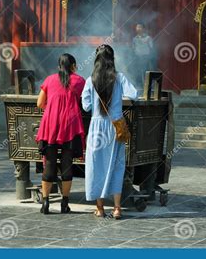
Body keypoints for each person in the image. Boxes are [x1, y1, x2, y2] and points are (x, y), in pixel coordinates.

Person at [82, 44, 137, 219]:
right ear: (112, 59)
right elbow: (134, 94)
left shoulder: (90, 80)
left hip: (97, 128)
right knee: (116, 167)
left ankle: (100, 208)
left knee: (96, 166)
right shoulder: (119, 78)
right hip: (115, 127)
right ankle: (117, 208)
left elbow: (86, 105)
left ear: (96, 59)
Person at [35, 54, 86, 214]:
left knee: (49, 163)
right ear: (73, 66)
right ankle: (65, 203)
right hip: (70, 125)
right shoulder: (79, 81)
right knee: (67, 164)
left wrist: (52, 110)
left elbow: (39, 103)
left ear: (59, 66)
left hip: (50, 125)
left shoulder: (49, 80)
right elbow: (86, 103)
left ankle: (45, 203)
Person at [132, 23, 156, 90]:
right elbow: (133, 48)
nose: (138, 28)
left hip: (146, 58)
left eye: (140, 27)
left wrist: (149, 58)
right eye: (137, 27)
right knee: (138, 73)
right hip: (137, 57)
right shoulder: (134, 39)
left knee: (146, 73)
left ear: (143, 29)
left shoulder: (148, 38)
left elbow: (151, 48)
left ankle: (148, 88)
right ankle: (139, 88)